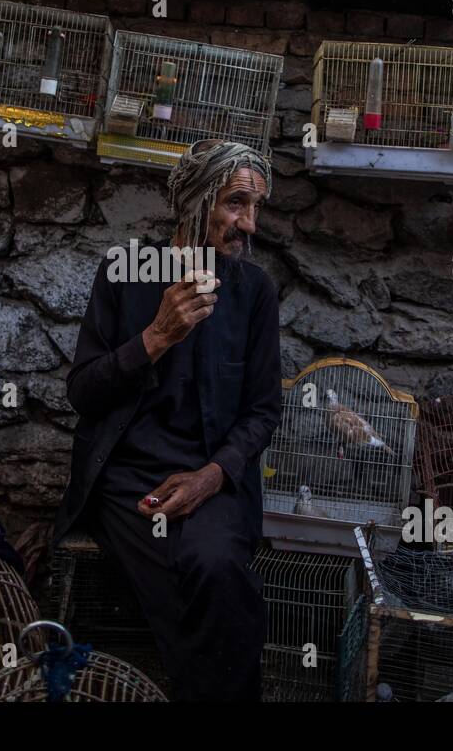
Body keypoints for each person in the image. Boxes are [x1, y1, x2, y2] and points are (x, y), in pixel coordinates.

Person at [52, 139, 282, 702]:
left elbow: (262, 410)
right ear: (195, 200)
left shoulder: (254, 291)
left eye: (255, 207)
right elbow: (82, 393)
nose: (248, 223)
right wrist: (155, 338)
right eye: (235, 204)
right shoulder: (125, 270)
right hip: (129, 474)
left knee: (215, 563)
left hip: (212, 473)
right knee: (176, 568)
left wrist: (211, 476)